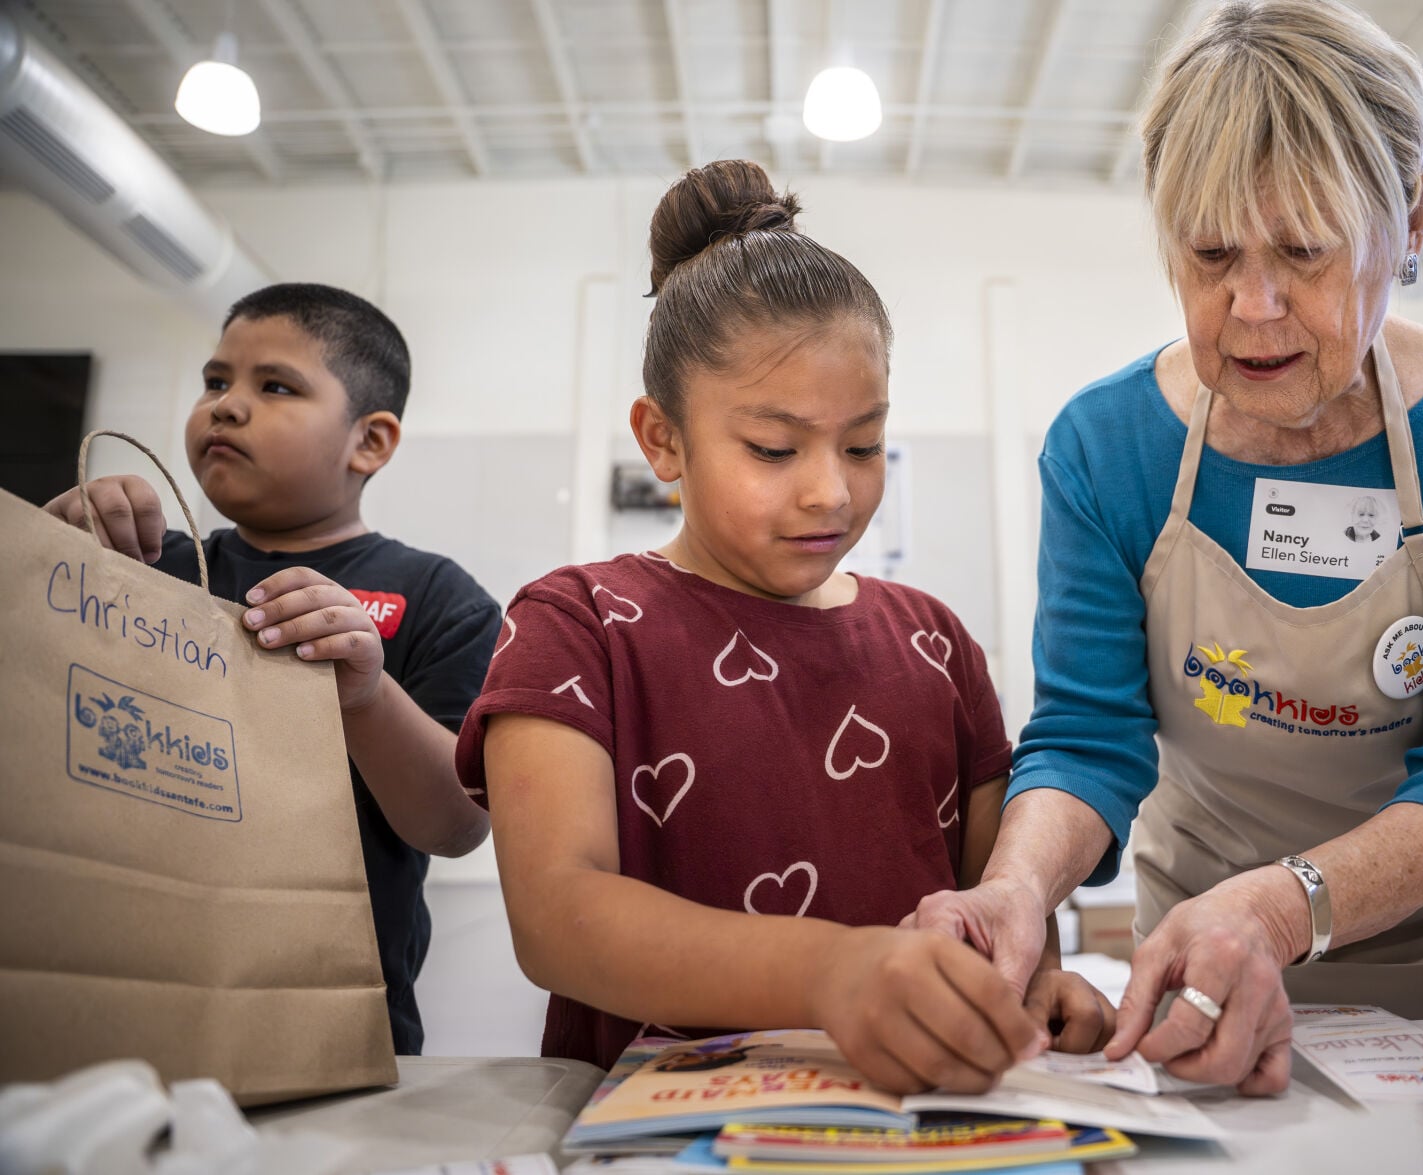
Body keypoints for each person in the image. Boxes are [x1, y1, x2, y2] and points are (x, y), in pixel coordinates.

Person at [911, 0, 1423, 1096]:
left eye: (1306, 251)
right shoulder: (1106, 446)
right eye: (1210, 251)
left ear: (1410, 220)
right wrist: (1012, 890)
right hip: (1201, 967)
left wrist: (1280, 904)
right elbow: (1088, 735)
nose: (1253, 305)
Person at [453, 160, 1111, 1094]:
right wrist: (833, 971)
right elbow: (558, 917)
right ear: (662, 440)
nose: (830, 490)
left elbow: (991, 908)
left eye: (863, 444)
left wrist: (1032, 991)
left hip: (911, 1127)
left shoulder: (935, 642)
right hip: (662, 1132)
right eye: (773, 448)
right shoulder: (578, 623)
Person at [44, 283, 500, 1054]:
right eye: (216, 381)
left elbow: (455, 825)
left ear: (370, 442)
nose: (225, 405)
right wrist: (51, 560)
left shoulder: (441, 598)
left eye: (276, 386)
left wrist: (364, 693)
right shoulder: (145, 565)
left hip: (328, 1026)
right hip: (102, 1000)